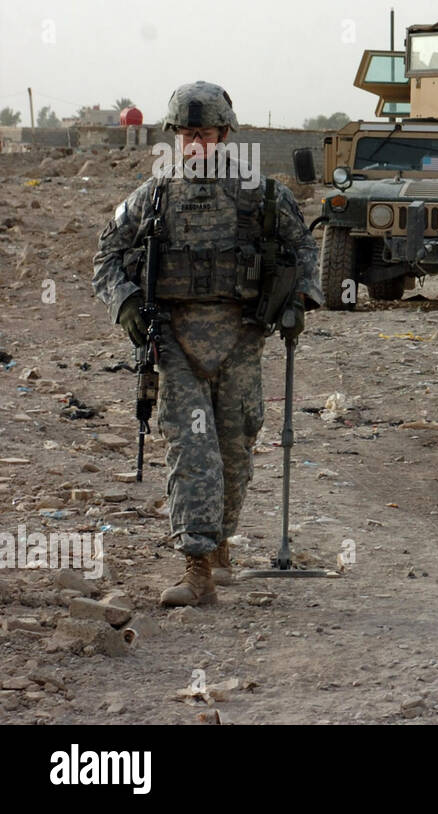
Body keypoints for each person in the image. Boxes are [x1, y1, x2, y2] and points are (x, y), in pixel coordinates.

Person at [92, 82, 323, 605]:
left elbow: (303, 247)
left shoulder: (260, 193)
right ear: (176, 137)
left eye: (207, 133)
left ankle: (219, 546)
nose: (197, 143)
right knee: (193, 451)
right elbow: (106, 256)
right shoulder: (151, 196)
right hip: (174, 341)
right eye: (187, 133)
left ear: (224, 134)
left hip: (242, 336)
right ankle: (196, 568)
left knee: (235, 448)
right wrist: (126, 304)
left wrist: (298, 301)